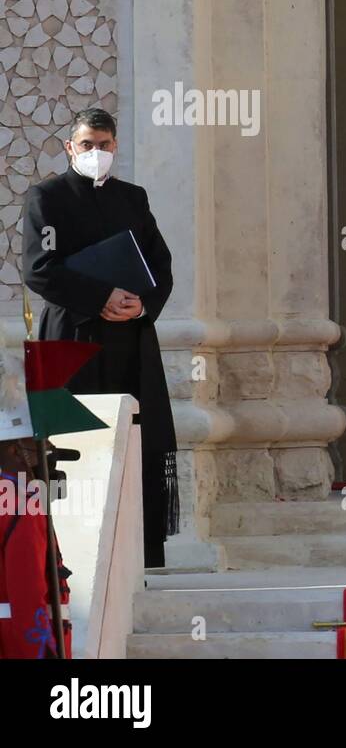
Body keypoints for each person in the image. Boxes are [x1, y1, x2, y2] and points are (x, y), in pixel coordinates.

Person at [22, 108, 178, 569]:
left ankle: (139, 555)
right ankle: (69, 557)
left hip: (129, 339)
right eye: (87, 144)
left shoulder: (133, 198)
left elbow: (159, 264)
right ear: (70, 147)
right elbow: (39, 269)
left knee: (135, 435)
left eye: (105, 144)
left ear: (116, 147)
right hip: (71, 337)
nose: (96, 153)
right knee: (72, 441)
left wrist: (142, 303)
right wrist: (100, 297)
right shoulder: (46, 198)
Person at [0, 374, 70, 659]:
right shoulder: (23, 506)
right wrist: (42, 653)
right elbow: (27, 593)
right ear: (16, 452)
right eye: (39, 448)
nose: (46, 456)